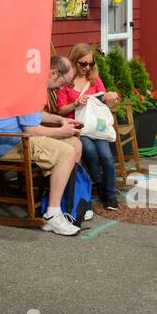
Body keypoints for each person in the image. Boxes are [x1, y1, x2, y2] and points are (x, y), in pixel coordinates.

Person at [0, 63, 86, 237]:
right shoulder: (30, 88)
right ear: (54, 72)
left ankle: (67, 204)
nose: (63, 87)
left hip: (21, 138)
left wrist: (60, 121)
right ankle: (52, 214)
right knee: (67, 151)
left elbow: (37, 116)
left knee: (75, 144)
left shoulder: (32, 84)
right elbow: (31, 130)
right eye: (64, 82)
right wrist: (60, 131)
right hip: (10, 143)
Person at [52, 47, 120, 212]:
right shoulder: (66, 82)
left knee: (107, 157)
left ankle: (109, 195)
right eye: (83, 64)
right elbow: (60, 110)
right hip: (77, 128)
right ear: (74, 61)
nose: (88, 67)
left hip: (97, 127)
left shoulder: (95, 80)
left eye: (91, 63)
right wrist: (76, 103)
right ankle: (102, 186)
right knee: (89, 150)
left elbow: (104, 105)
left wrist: (113, 99)